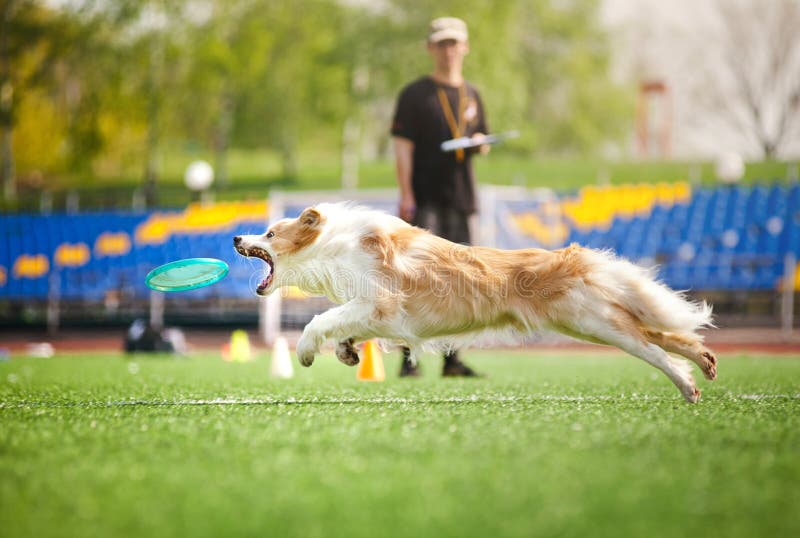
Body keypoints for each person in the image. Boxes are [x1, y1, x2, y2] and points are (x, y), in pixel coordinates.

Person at [390, 16, 490, 377]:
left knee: (461, 281)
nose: (448, 50)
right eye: (442, 43)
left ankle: (452, 359)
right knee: (416, 278)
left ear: (464, 47)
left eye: (454, 43)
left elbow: (482, 142)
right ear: (431, 48)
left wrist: (480, 145)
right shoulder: (415, 94)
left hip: (461, 200)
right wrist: (406, 194)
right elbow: (402, 148)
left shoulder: (473, 95)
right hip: (424, 200)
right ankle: (408, 358)